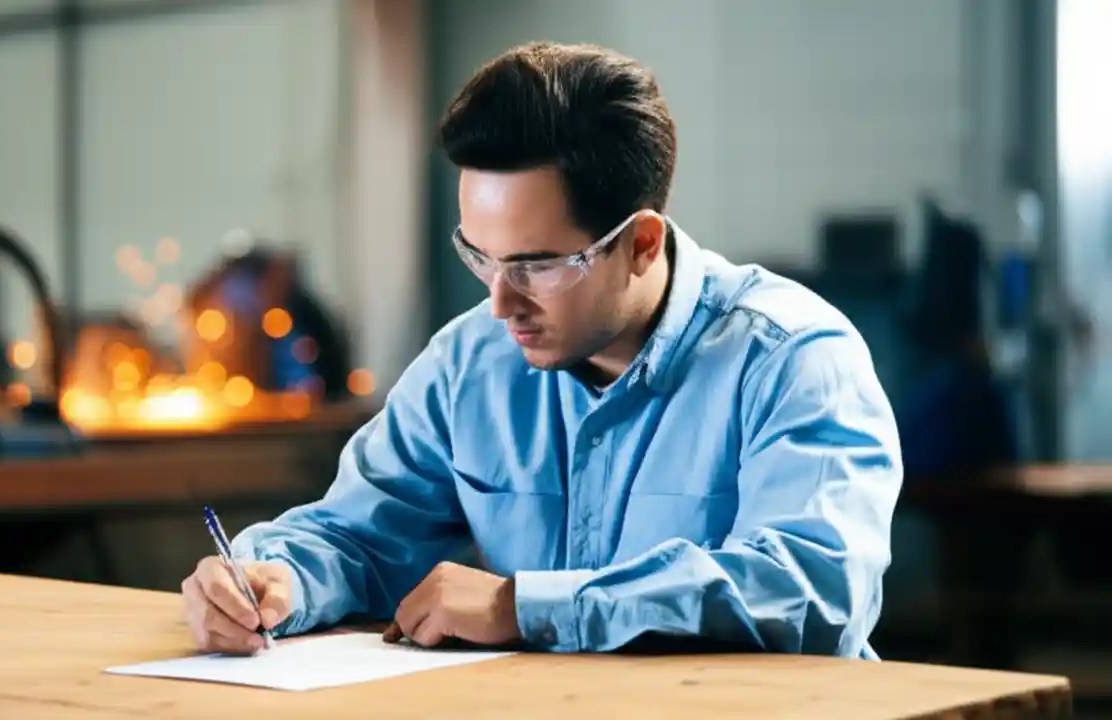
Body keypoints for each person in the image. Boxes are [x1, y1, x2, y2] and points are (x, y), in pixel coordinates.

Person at [181, 42, 902, 659]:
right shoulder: (471, 366)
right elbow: (355, 536)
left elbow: (811, 591)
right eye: (482, 257)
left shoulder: (794, 359)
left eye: (536, 265)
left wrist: (526, 607)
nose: (500, 302)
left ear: (642, 244)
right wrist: (272, 580)